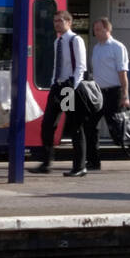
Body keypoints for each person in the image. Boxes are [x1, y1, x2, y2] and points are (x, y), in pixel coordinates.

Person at [33, 11, 88, 176]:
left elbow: (81, 66)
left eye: (59, 21)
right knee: (48, 124)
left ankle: (79, 166)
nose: (56, 24)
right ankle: (46, 162)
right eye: (55, 21)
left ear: (69, 22)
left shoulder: (75, 40)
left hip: (68, 87)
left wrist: (73, 86)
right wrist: (52, 84)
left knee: (74, 127)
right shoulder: (58, 41)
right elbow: (57, 65)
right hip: (57, 87)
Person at [84, 17, 130, 170]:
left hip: (114, 92)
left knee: (116, 130)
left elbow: (122, 73)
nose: (96, 32)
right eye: (95, 30)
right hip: (98, 93)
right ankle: (94, 161)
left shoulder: (118, 47)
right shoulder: (96, 48)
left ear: (107, 29)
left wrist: (125, 95)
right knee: (90, 125)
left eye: (99, 29)